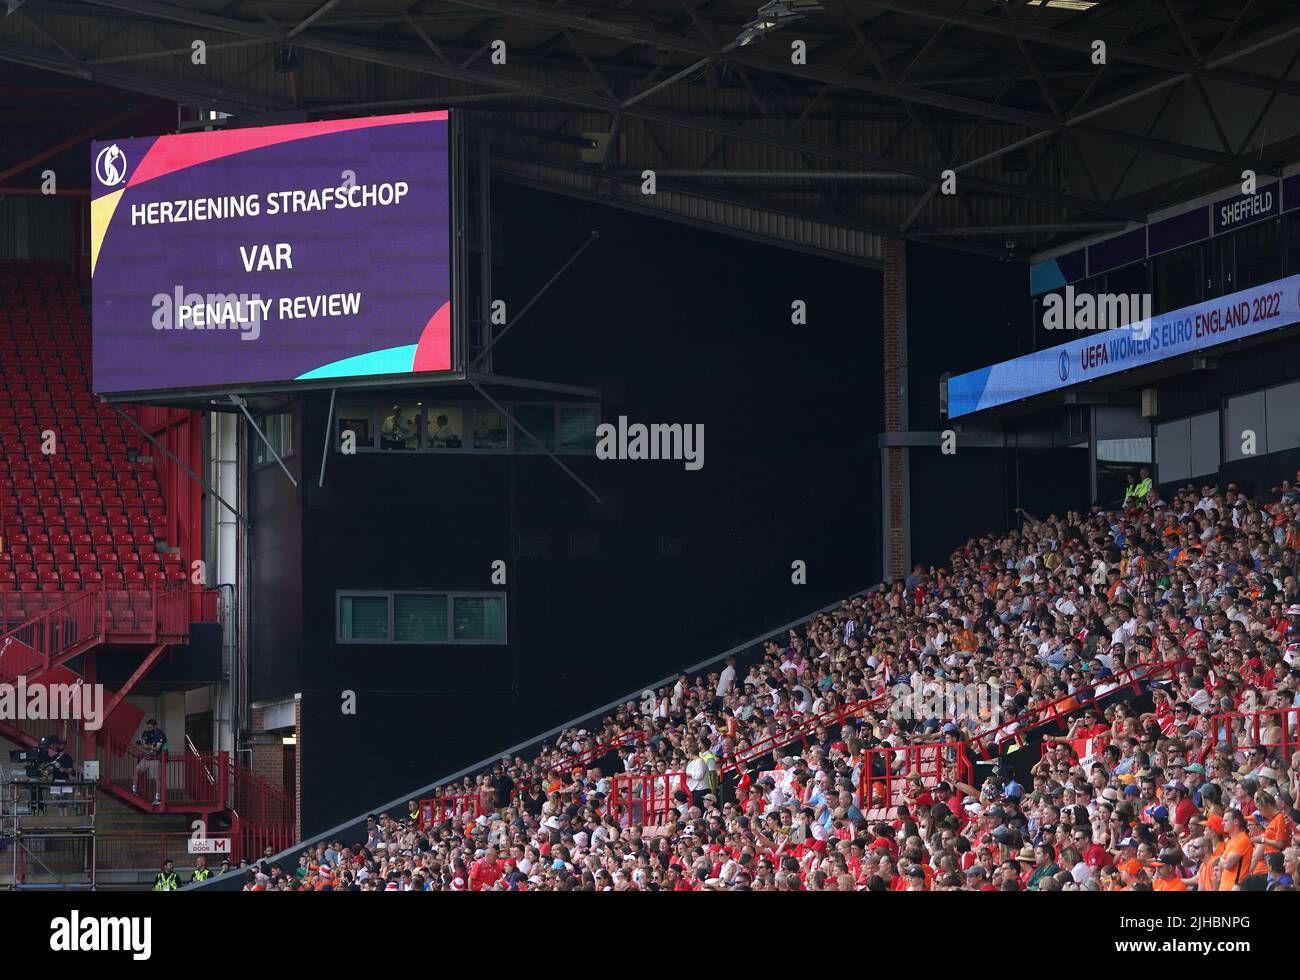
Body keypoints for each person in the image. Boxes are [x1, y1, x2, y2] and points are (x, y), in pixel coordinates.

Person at [133, 719, 167, 804]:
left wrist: (148, 746)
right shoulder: (148, 733)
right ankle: (135, 789)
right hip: (148, 757)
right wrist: (144, 745)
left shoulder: (159, 734)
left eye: (150, 727)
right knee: (136, 770)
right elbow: (146, 745)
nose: (149, 729)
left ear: (155, 726)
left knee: (156, 778)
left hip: (156, 758)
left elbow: (157, 748)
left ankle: (157, 797)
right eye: (148, 727)